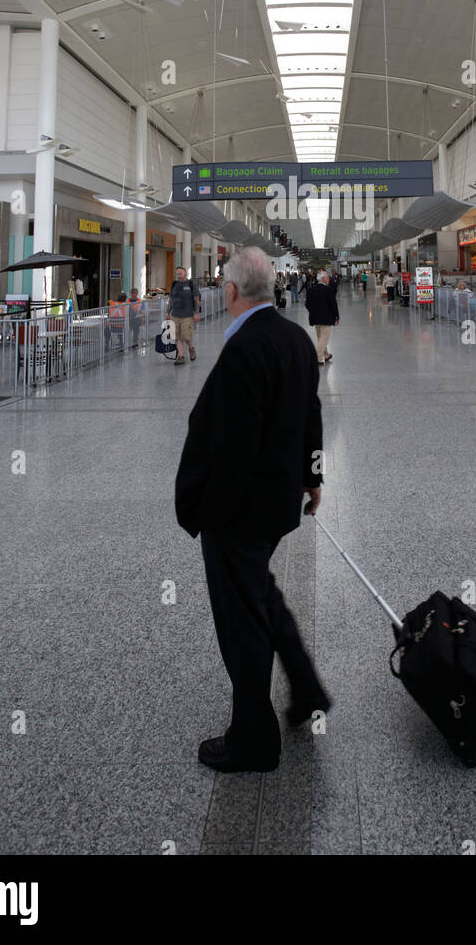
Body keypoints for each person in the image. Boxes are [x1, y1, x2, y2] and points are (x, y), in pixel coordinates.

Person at [175, 246, 329, 772]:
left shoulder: (245, 349)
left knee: (242, 627)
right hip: (277, 503)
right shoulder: (295, 339)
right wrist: (313, 477)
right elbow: (311, 413)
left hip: (239, 514)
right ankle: (306, 688)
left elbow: (233, 451)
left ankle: (253, 742)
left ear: (234, 291)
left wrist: (205, 513)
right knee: (261, 596)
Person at [168, 265, 200, 365]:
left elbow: (196, 299)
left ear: (185, 273)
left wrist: (197, 313)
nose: (179, 275)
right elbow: (171, 300)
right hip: (175, 315)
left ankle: (191, 348)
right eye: (177, 274)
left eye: (180, 273)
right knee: (177, 337)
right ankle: (181, 356)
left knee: (186, 336)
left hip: (187, 315)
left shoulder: (191, 284)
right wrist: (167, 312)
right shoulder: (174, 284)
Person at [305, 269, 338, 365]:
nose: (329, 279)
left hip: (315, 318)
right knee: (324, 338)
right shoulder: (328, 290)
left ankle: (326, 354)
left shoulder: (311, 289)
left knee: (320, 337)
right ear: (323, 279)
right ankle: (317, 358)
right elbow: (333, 305)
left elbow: (307, 304)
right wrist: (336, 316)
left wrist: (313, 311)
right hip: (326, 318)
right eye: (328, 278)